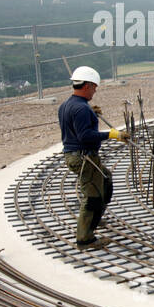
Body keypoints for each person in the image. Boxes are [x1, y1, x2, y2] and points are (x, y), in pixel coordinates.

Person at [58, 66, 128, 248]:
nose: (95, 91)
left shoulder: (67, 105)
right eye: (94, 87)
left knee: (105, 181)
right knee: (93, 196)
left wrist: (91, 114)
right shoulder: (81, 109)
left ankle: (95, 219)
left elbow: (74, 125)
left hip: (77, 156)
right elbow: (84, 136)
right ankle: (85, 238)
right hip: (84, 158)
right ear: (87, 86)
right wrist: (112, 135)